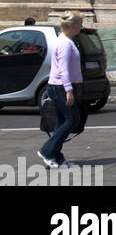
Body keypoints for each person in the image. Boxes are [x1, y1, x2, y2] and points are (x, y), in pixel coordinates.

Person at [38, 10, 85, 169]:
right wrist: (69, 90)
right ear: (72, 26)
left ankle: (56, 157)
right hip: (60, 87)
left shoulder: (66, 41)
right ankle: (47, 151)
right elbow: (63, 69)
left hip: (58, 86)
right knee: (72, 119)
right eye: (80, 24)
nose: (81, 27)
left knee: (63, 121)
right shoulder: (64, 43)